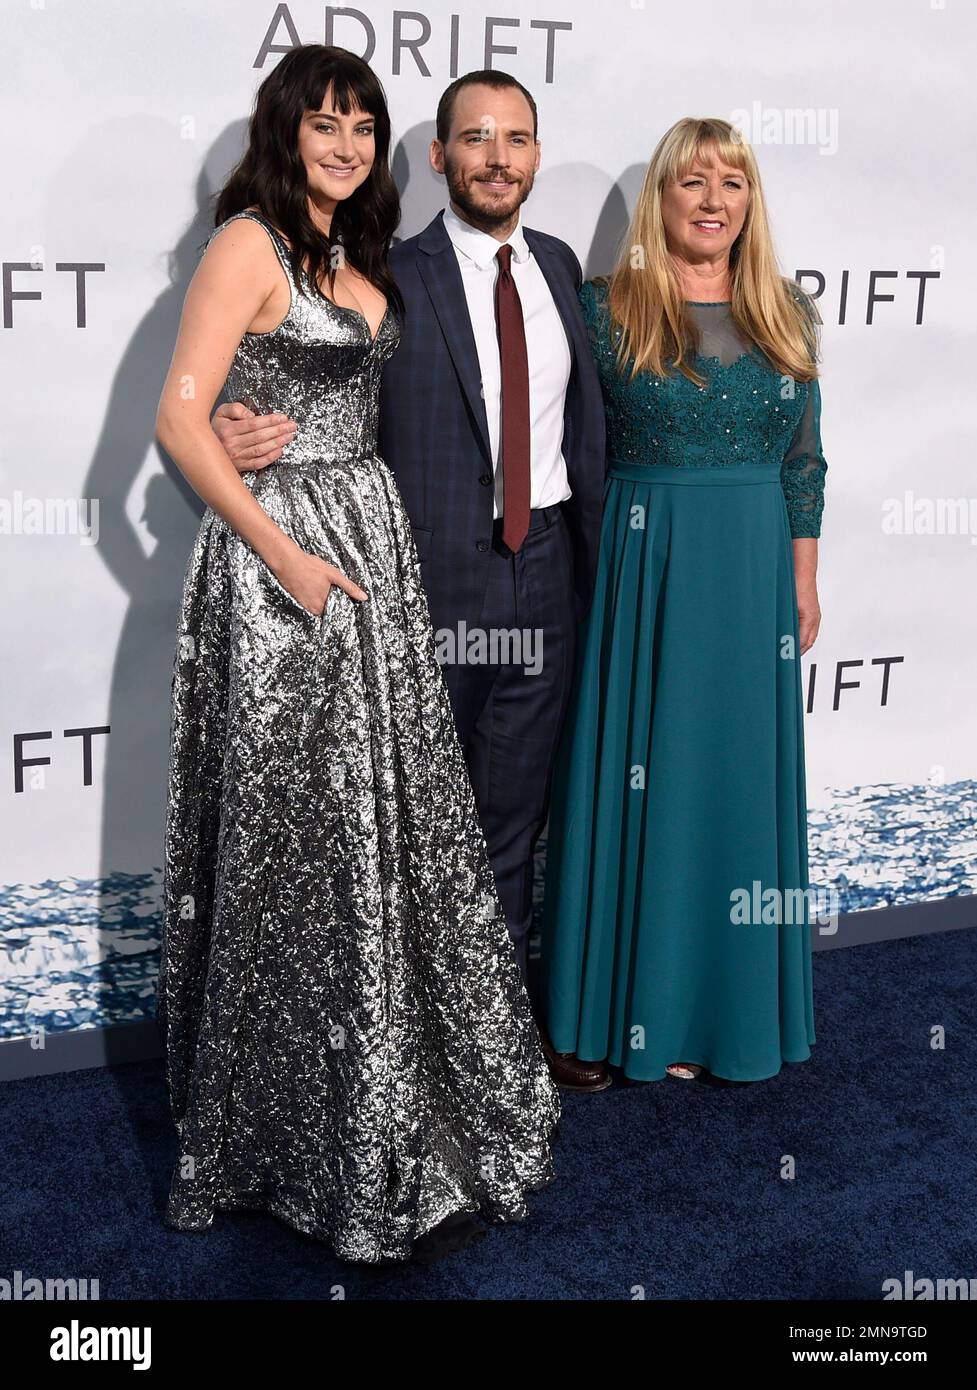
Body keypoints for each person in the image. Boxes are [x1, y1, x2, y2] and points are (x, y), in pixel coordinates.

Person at [154, 44, 559, 1266]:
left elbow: (356, 398)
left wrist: (265, 429)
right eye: (321, 123)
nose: (342, 142)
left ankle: (386, 1111)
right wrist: (276, 546)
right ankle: (288, 1137)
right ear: (283, 132)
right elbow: (179, 414)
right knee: (299, 850)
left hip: (369, 552)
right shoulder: (246, 244)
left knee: (378, 841)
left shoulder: (354, 251)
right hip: (287, 573)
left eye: (361, 124)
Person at [212, 69, 609, 1093]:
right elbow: (302, 362)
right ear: (436, 157)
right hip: (420, 590)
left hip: (546, 579)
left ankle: (500, 1039)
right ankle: (408, 1056)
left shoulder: (566, 268)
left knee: (514, 823)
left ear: (534, 154)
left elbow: (595, 429)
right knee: (410, 828)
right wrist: (231, 420)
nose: (495, 156)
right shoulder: (385, 266)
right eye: (472, 137)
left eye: (515, 138)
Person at [540, 118, 825, 1087]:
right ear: (660, 198)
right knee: (644, 775)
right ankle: (632, 1009)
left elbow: (802, 461)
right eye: (691, 182)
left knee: (733, 785)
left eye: (731, 184)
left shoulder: (787, 311)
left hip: (750, 575)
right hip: (642, 567)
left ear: (750, 203)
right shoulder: (601, 306)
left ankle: (726, 1011)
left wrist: (801, 577)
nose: (711, 201)